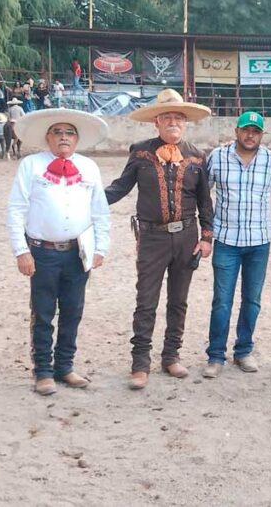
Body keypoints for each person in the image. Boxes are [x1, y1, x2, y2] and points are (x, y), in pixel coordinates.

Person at [105, 89, 213, 390]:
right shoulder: (140, 151)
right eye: (167, 117)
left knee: (179, 301)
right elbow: (119, 188)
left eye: (178, 117)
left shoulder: (197, 156)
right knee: (146, 301)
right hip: (152, 237)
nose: (173, 122)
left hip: (187, 235)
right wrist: (86, 198)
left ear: (185, 122)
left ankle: (171, 356)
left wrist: (206, 238)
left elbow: (205, 201)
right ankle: (140, 364)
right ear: (157, 121)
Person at [6, 109, 110, 395]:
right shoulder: (31, 165)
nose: (64, 137)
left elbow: (99, 210)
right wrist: (21, 251)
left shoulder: (89, 167)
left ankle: (65, 367)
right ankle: (43, 371)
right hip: (42, 253)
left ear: (76, 139)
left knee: (73, 311)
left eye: (69, 133)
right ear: (47, 137)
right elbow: (16, 209)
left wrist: (101, 247)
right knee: (42, 312)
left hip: (78, 253)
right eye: (58, 132)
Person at [202, 111, 271, 378]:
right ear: (236, 131)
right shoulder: (218, 157)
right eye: (245, 130)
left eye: (255, 131)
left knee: (252, 300)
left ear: (262, 134)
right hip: (226, 241)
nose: (250, 135)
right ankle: (216, 355)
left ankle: (244, 351)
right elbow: (203, 194)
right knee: (222, 301)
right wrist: (204, 229)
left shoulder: (270, 160)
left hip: (259, 241)